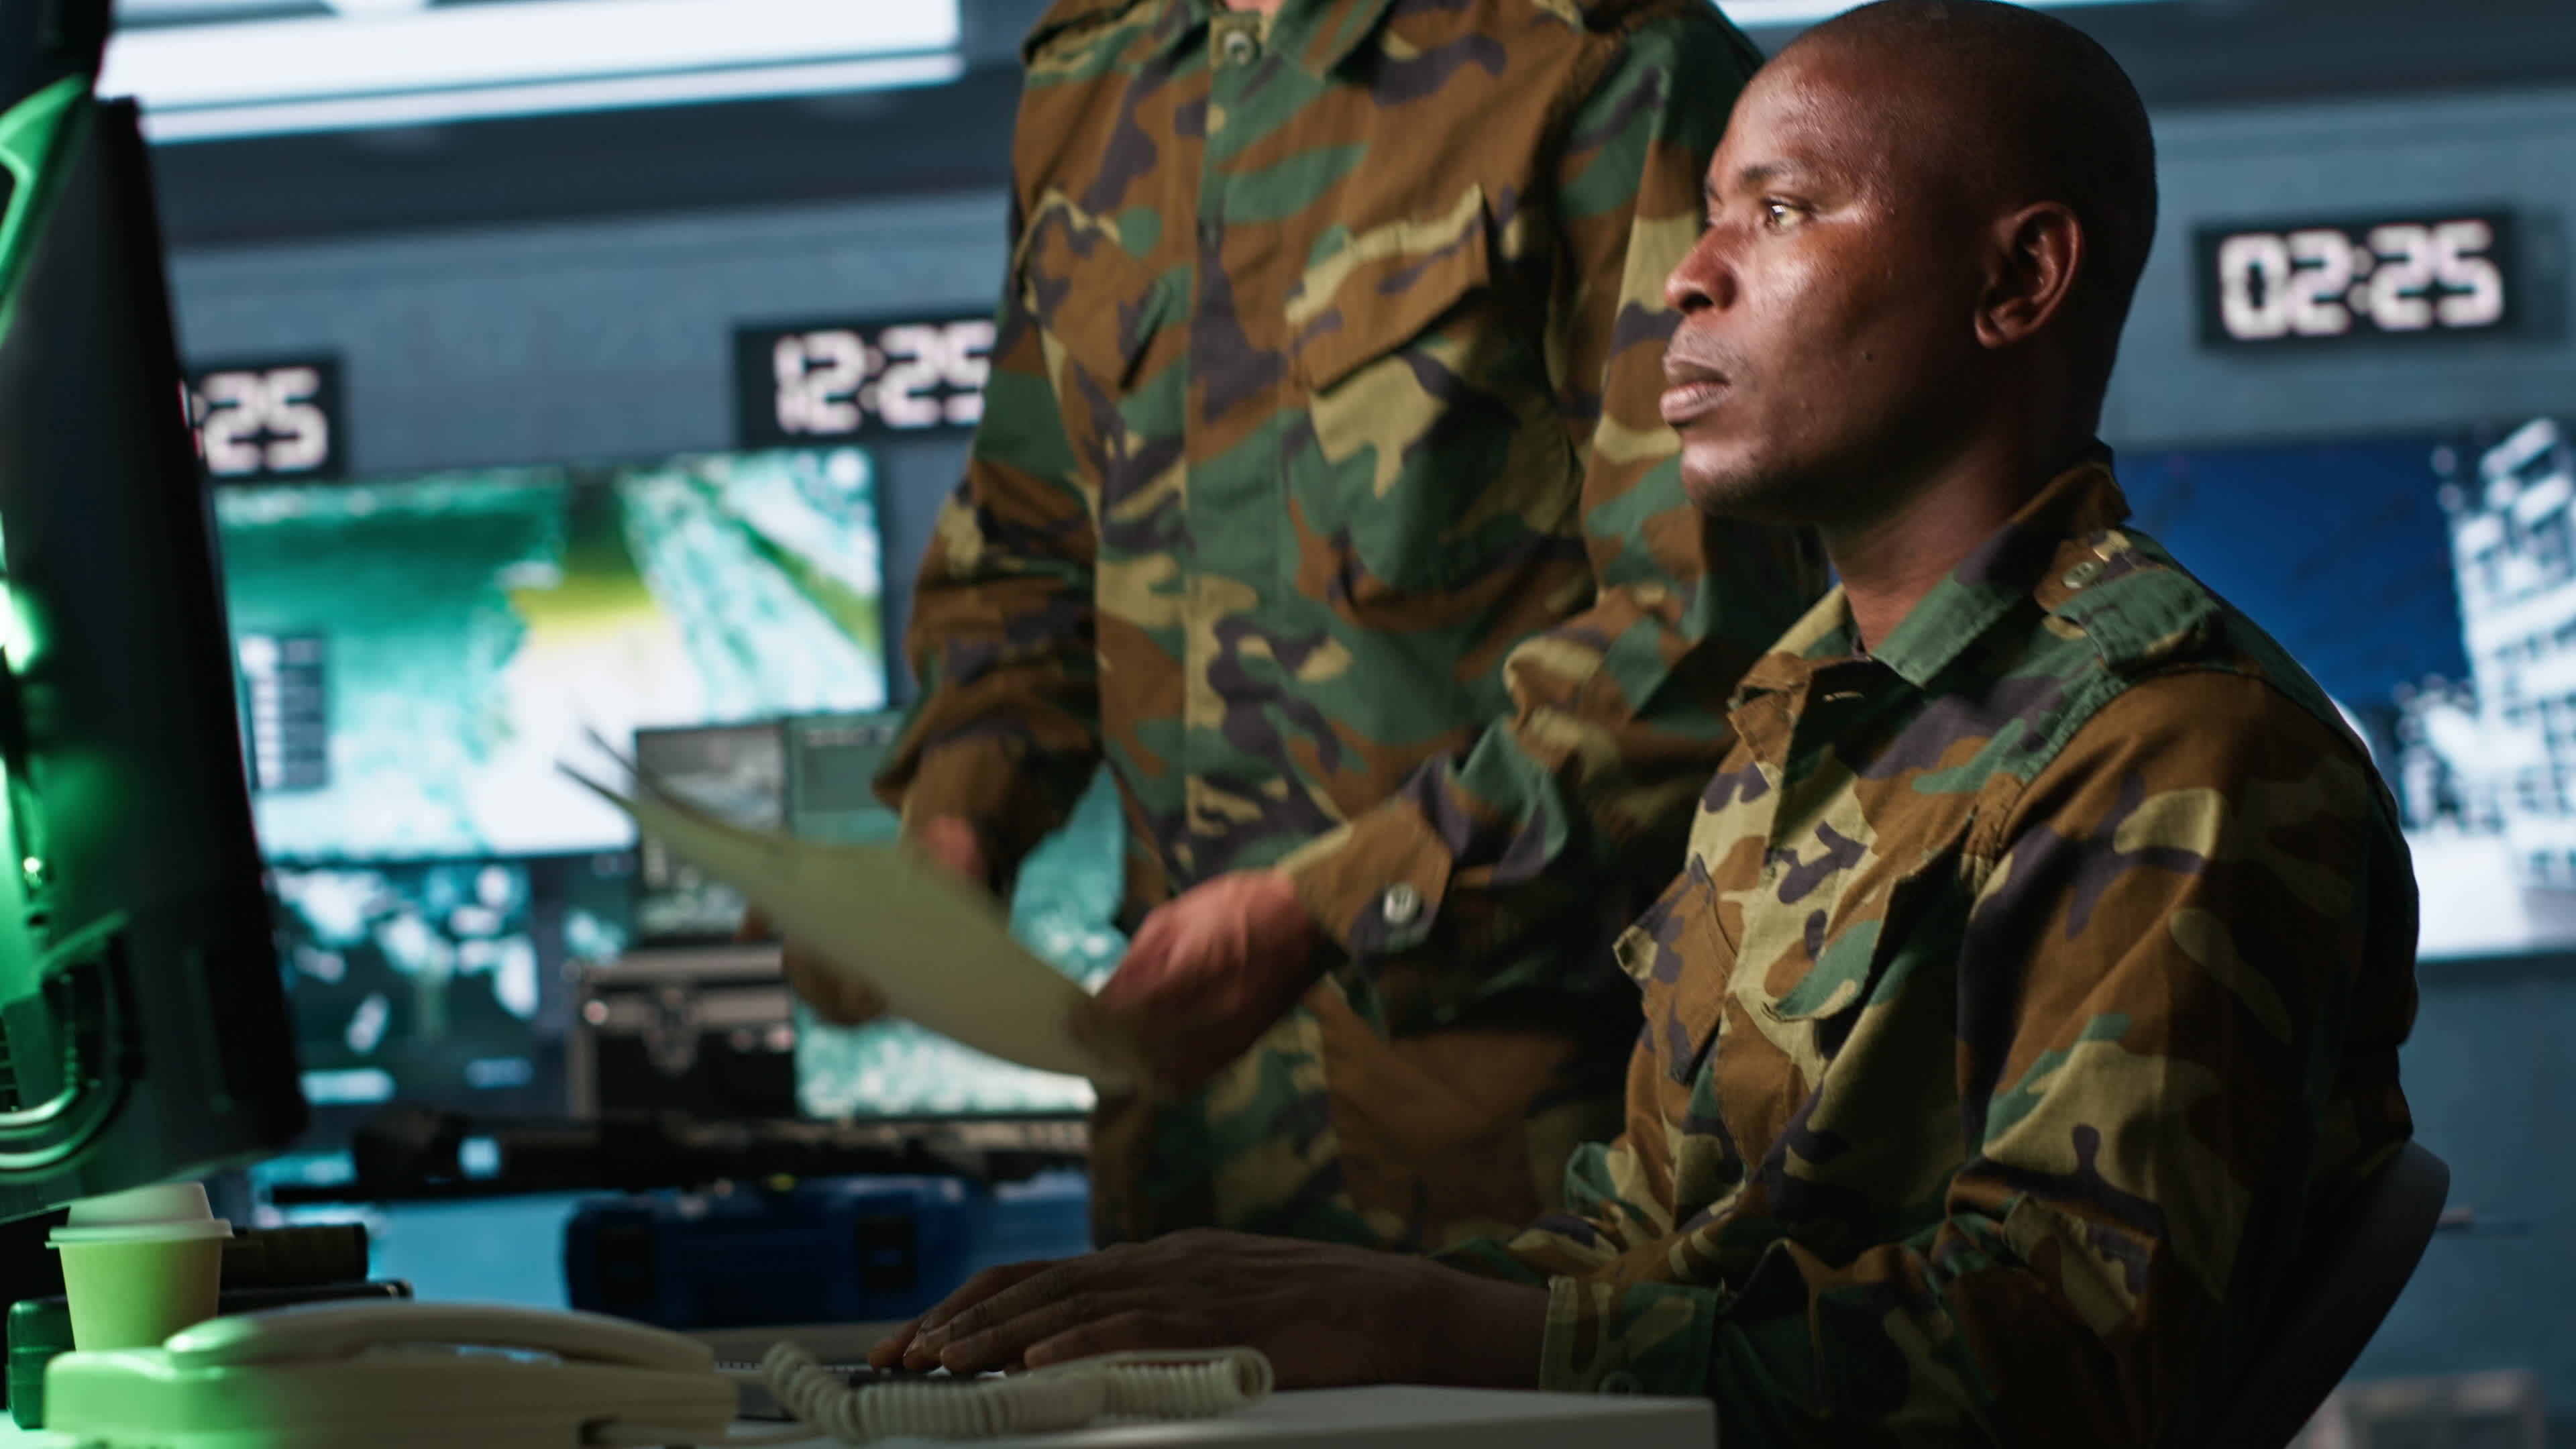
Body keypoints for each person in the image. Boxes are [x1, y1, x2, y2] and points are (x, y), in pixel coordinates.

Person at [855, 3, 2424, 1444]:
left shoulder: (2177, 749)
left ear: (2016, 281)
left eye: (1784, 213)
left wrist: (1422, 1318)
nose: (1690, 271)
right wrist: (1279, 1307)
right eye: (1712, 213)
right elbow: (1644, 1242)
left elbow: (2071, 1364)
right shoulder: (1806, 724)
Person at [798, 0, 1827, 1251]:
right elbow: (1031, 542)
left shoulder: (1600, 61)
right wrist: (953, 834)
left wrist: (1329, 908)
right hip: (1175, 1135)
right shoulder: (1096, 75)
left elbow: (1713, 625)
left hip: (1534, 1137)